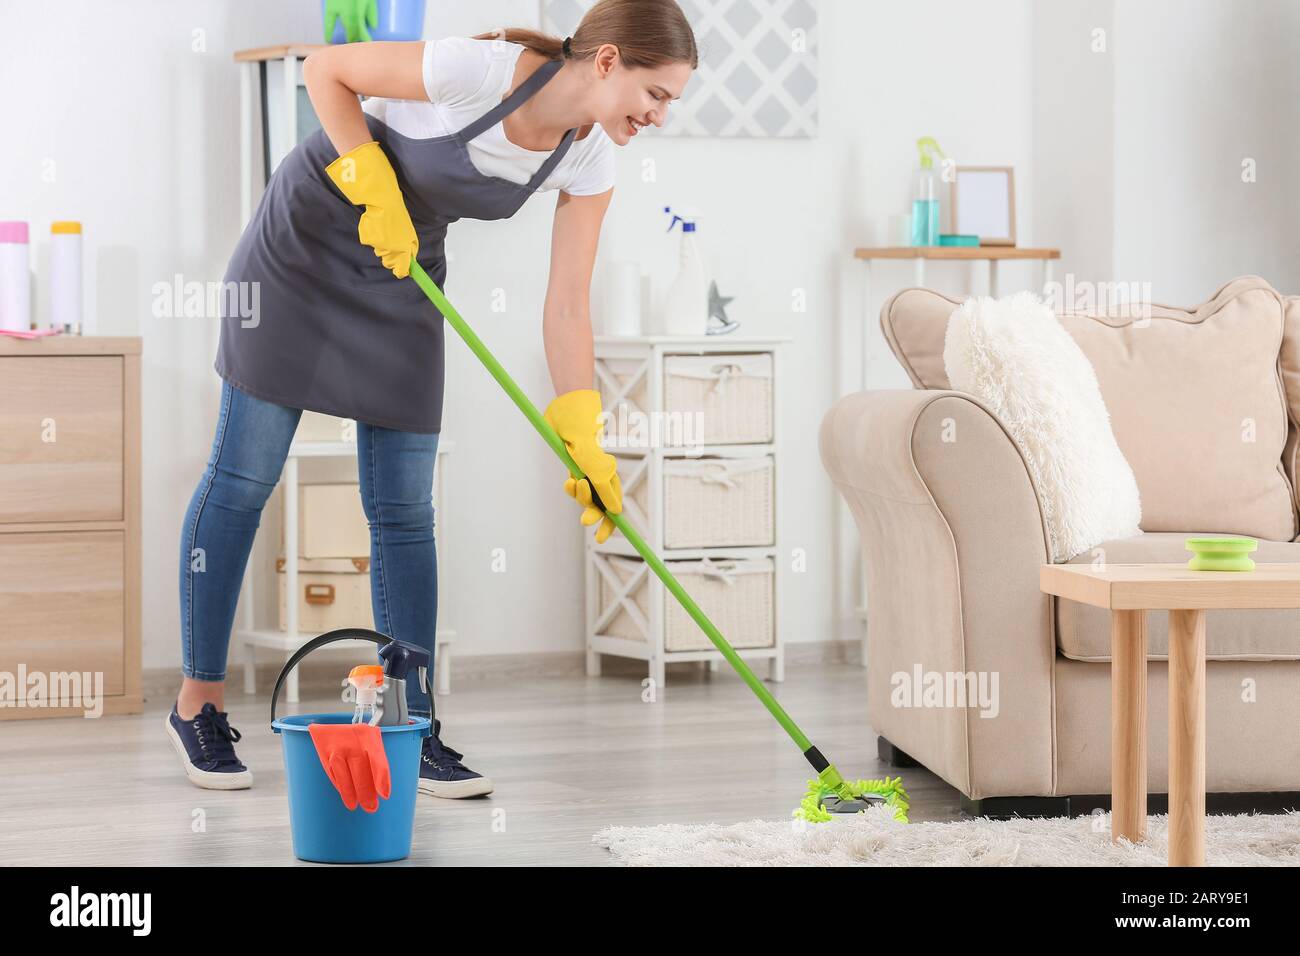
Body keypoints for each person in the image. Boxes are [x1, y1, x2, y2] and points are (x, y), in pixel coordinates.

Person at [164, 0, 698, 798]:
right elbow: (326, 70)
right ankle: (197, 705)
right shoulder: (474, 70)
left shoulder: (591, 160)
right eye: (657, 95)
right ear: (611, 60)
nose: (659, 116)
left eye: (671, 105)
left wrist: (583, 428)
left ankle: (409, 723)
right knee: (244, 478)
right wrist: (370, 178)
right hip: (302, 250)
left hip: (404, 270)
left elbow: (567, 306)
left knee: (407, 509)